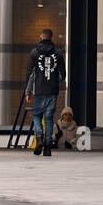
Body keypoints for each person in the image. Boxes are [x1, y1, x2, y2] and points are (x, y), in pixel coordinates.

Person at [25, 28, 66, 157]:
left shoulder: (34, 53)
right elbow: (62, 75)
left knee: (37, 115)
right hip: (52, 91)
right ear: (51, 37)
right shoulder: (58, 53)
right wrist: (54, 81)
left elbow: (31, 74)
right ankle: (48, 147)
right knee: (48, 119)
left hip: (39, 91)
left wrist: (28, 91)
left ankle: (39, 138)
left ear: (41, 37)